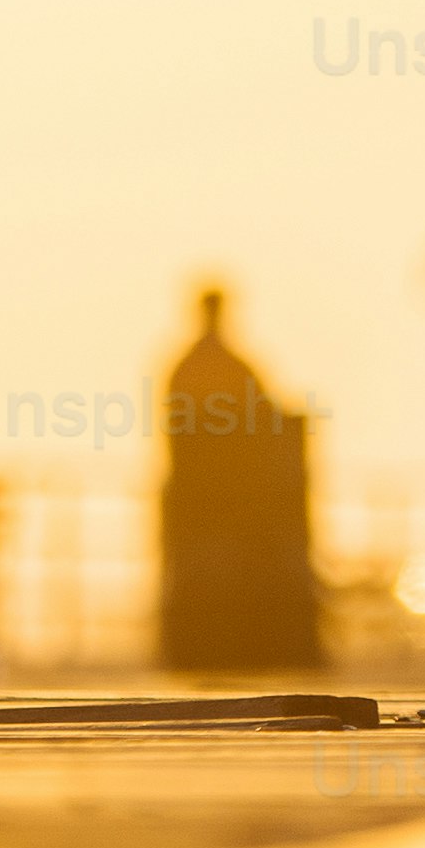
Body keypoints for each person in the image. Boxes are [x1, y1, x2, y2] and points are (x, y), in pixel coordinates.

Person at [152, 283, 330, 674]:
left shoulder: (206, 364)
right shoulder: (209, 364)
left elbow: (261, 412)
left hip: (227, 500)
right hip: (212, 499)